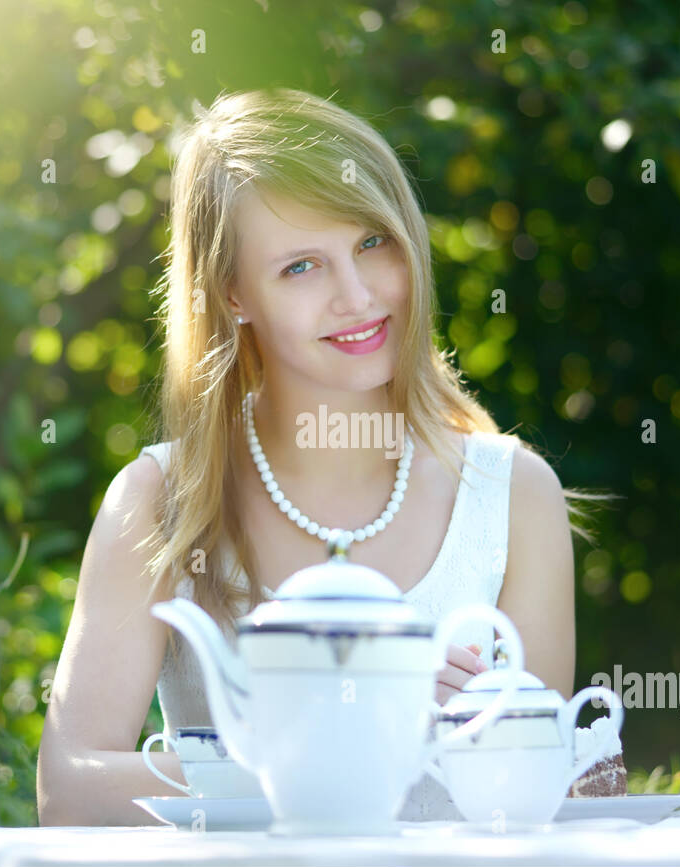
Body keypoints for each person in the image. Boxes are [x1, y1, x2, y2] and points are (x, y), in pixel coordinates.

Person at [37, 88, 613, 826]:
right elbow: (69, 792)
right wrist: (325, 733)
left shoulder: (513, 495)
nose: (358, 295)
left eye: (373, 242)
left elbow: (533, 805)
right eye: (302, 266)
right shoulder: (161, 500)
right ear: (234, 293)